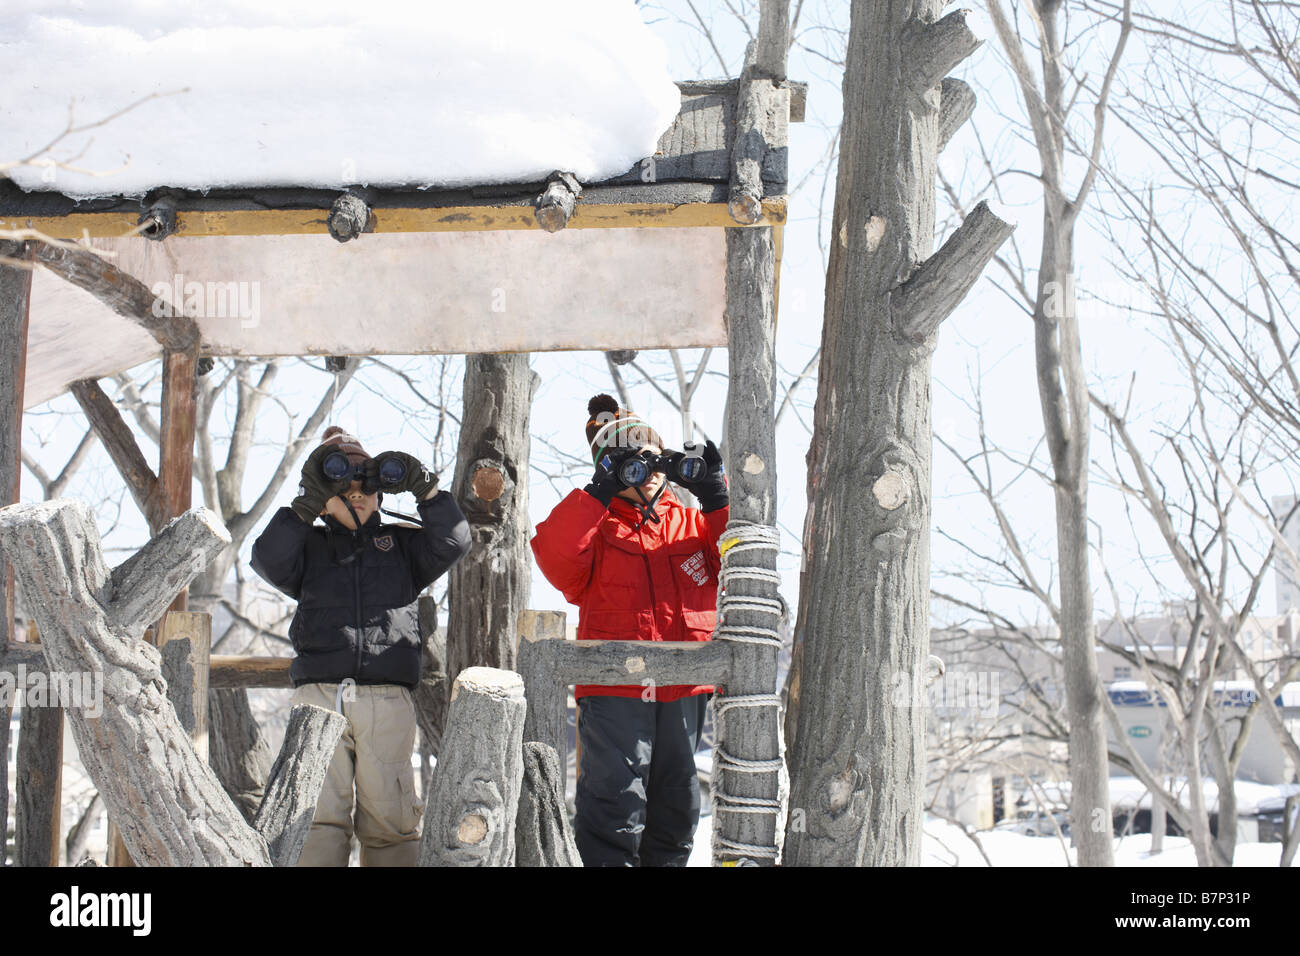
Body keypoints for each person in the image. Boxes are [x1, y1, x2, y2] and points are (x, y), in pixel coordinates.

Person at [251, 426, 471, 866]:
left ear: (380, 494)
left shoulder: (404, 547)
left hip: (385, 698)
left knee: (391, 823)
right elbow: (266, 559)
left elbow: (454, 540)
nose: (356, 495)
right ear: (322, 495)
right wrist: (304, 504)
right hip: (319, 698)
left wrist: (426, 490)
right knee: (313, 819)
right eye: (340, 488)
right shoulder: (307, 546)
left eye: (365, 488)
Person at [530, 395, 729, 866]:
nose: (648, 465)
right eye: (630, 456)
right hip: (615, 690)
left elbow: (740, 563)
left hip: (684, 689)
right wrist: (597, 492)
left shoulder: (691, 523)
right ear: (608, 467)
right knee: (613, 808)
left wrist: (717, 495)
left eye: (653, 453)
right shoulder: (594, 526)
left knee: (678, 810)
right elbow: (554, 558)